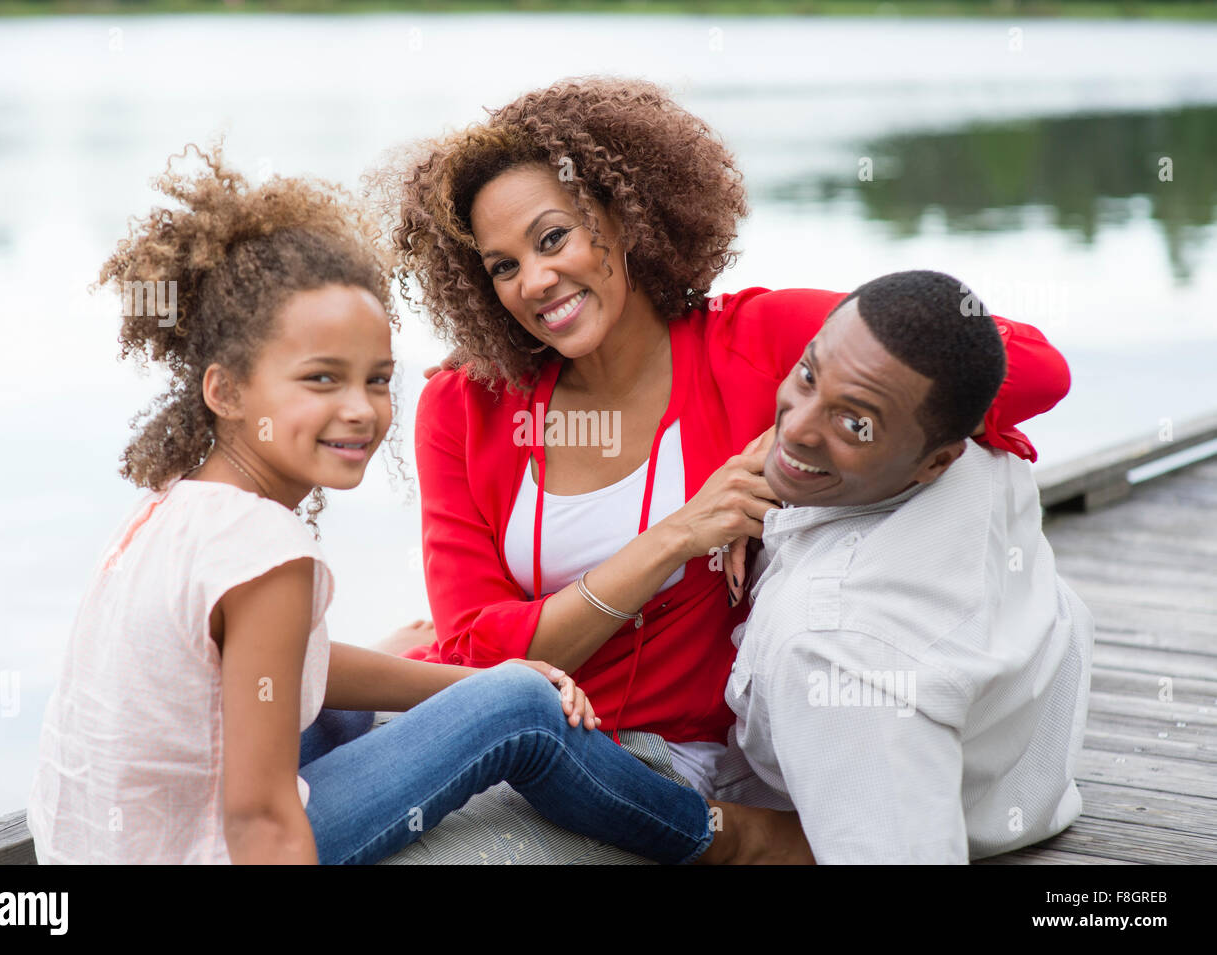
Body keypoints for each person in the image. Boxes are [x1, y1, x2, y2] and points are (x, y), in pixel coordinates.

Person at [24, 141, 798, 866]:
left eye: (378, 378)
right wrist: (507, 685)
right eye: (321, 379)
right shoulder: (264, 554)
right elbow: (260, 818)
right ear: (224, 389)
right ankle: (730, 838)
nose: (360, 410)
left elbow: (280, 675)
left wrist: (458, 677)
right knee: (524, 711)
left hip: (110, 846)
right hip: (210, 847)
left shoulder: (175, 510)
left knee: (417, 686)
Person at [366, 76, 1071, 861]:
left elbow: (1032, 367)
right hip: (488, 728)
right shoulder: (466, 405)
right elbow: (471, 657)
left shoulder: (758, 342)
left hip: (655, 762)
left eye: (553, 237)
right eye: (502, 265)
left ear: (620, 218)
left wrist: (784, 443)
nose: (533, 281)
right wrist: (677, 535)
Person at [724, 270, 1095, 863]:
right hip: (1026, 782)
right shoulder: (980, 453)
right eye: (808, 374)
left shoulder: (834, 647)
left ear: (936, 461)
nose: (791, 428)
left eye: (855, 422)